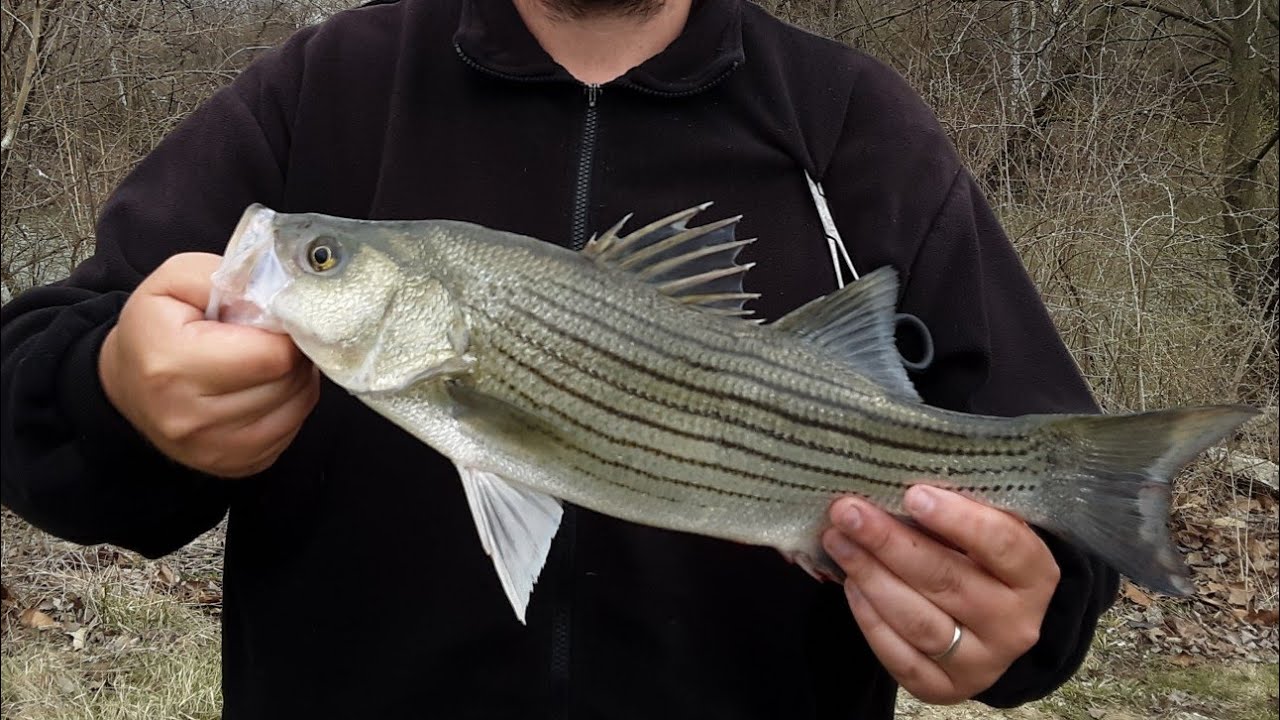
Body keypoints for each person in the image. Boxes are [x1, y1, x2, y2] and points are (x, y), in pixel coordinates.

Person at [0, 1, 1118, 717]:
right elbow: (30, 390)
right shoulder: (327, 83)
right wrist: (114, 394)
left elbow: (1060, 525)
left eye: (323, 257)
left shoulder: (849, 123)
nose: (298, 259)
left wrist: (1021, 617)